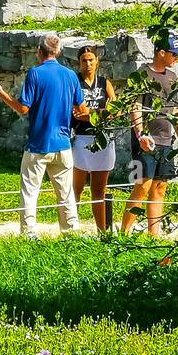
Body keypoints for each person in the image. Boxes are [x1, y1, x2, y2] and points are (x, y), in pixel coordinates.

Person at [0, 34, 90, 237]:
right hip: (63, 143)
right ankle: (71, 232)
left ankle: (30, 233)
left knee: (30, 191)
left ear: (39, 51)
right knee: (66, 193)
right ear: (58, 51)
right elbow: (82, 110)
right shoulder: (70, 75)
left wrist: (0, 92)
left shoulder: (35, 73)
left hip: (39, 143)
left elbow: (23, 108)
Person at [122, 32, 178, 237]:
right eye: (174, 54)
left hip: (166, 141)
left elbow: (176, 112)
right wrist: (140, 135)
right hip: (146, 141)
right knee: (142, 185)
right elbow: (136, 105)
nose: (177, 58)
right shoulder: (142, 74)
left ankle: (153, 235)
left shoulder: (173, 77)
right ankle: (123, 233)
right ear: (161, 52)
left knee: (160, 187)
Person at [70, 46, 117, 233]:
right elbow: (74, 112)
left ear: (97, 61)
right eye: (83, 60)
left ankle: (102, 231)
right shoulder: (75, 82)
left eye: (91, 60)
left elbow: (115, 110)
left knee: (99, 190)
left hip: (103, 138)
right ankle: (72, 228)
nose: (87, 64)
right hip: (81, 138)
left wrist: (89, 113)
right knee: (77, 189)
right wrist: (99, 112)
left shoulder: (104, 83)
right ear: (78, 62)